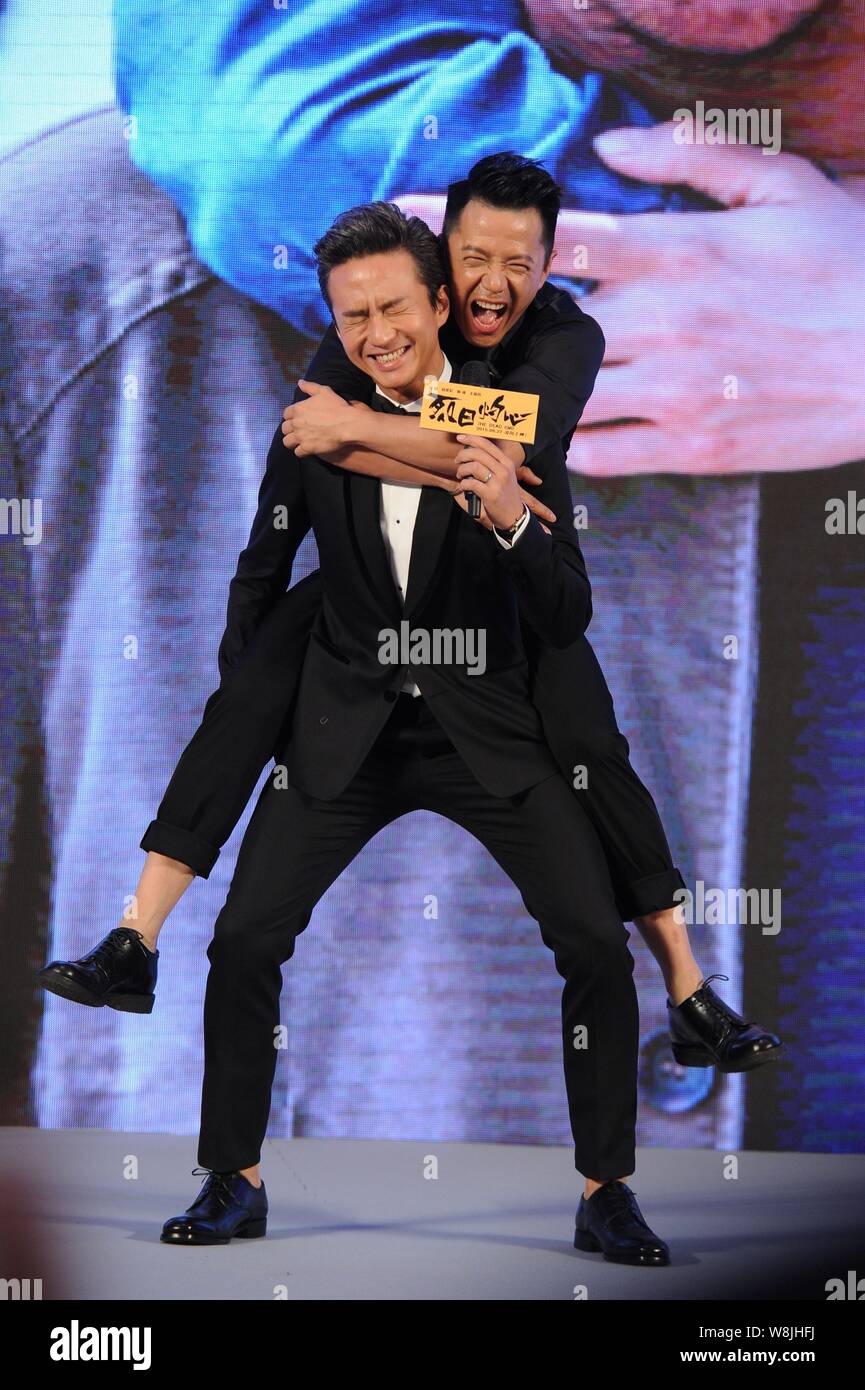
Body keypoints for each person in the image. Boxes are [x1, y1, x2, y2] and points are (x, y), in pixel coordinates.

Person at [37, 156, 783, 1078]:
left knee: (590, 742)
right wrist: (255, 641)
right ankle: (133, 938)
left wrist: (367, 429)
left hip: (506, 596)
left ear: (548, 267)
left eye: (519, 262)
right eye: (472, 256)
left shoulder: (565, 335)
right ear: (442, 257)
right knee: (253, 683)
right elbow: (306, 458)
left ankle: (687, 990)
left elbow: (512, 437)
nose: (491, 283)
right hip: (364, 607)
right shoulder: (382, 319)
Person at [144, 197, 679, 1257]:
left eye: (394, 307)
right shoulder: (313, 413)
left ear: (439, 303)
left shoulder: (512, 411)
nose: (377, 333)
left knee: (592, 946)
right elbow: (264, 564)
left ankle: (605, 1192)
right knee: (245, 938)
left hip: (489, 730)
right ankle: (232, 1179)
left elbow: (561, 599)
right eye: (353, 319)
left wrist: (504, 518)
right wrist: (265, 700)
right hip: (344, 729)